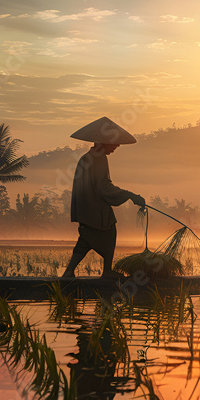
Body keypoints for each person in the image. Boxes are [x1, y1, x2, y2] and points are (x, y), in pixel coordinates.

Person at [62, 116, 145, 279]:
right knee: (108, 232)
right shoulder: (98, 159)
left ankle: (69, 272)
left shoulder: (87, 158)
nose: (116, 146)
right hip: (94, 209)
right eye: (114, 143)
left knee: (86, 240)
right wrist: (129, 195)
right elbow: (103, 187)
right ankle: (106, 271)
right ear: (104, 142)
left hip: (87, 209)